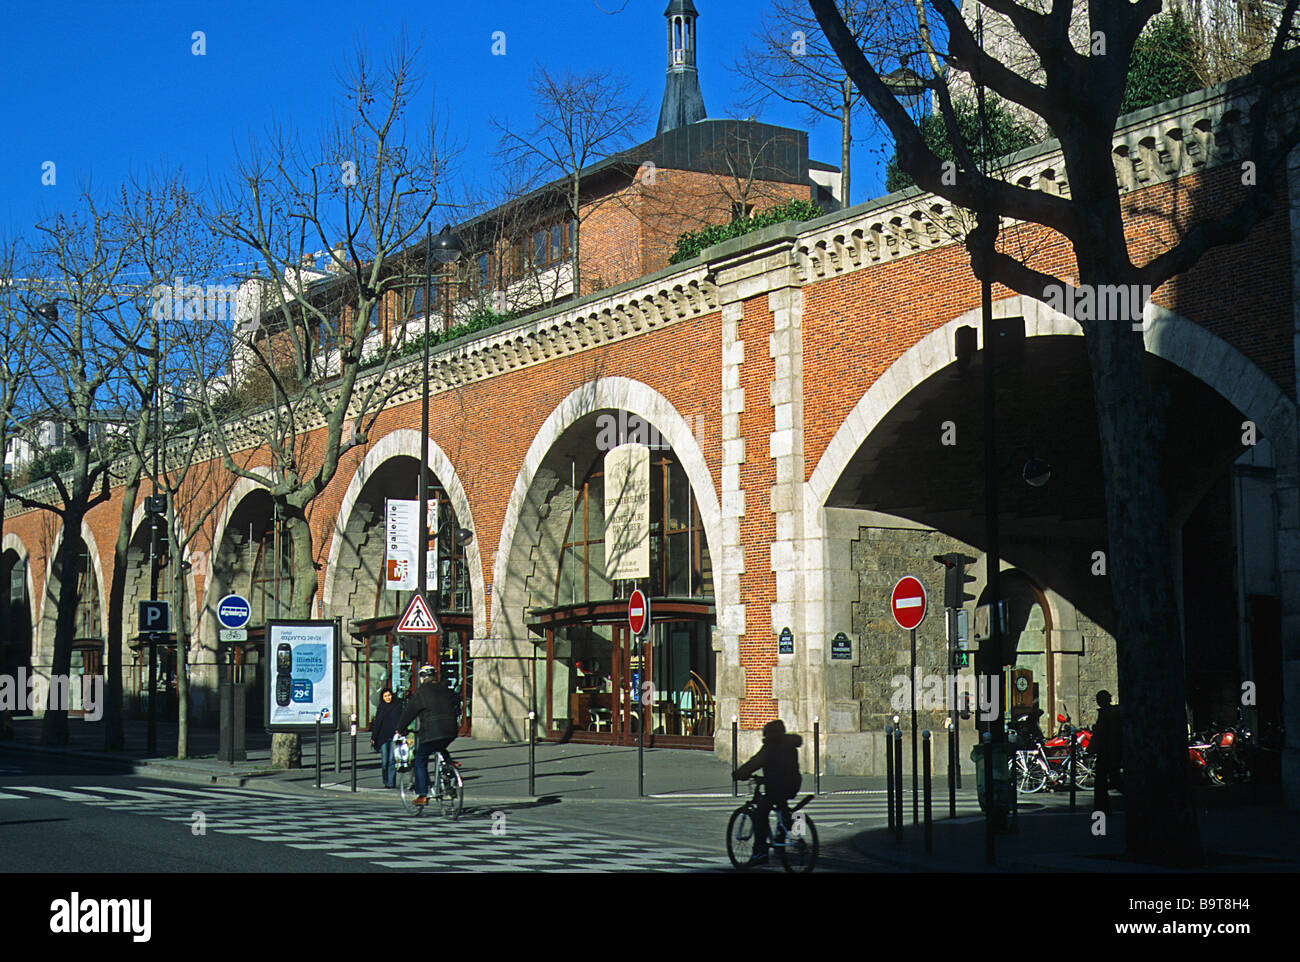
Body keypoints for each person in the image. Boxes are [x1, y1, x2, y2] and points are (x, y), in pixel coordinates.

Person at [731, 719, 803, 865]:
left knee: (760, 815)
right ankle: (788, 836)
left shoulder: (770, 748)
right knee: (784, 810)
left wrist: (739, 774)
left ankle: (760, 852)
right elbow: (782, 768)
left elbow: (754, 763)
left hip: (776, 787)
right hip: (793, 785)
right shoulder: (791, 745)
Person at [397, 665, 461, 805]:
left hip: (432, 731)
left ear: (422, 677)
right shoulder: (445, 689)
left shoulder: (421, 692)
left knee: (420, 759)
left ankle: (422, 795)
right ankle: (450, 772)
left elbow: (409, 712)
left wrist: (400, 729)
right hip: (451, 730)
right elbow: (456, 704)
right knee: (441, 748)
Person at [1090, 690, 1123, 815]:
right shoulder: (1113, 713)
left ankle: (1101, 808)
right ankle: (1102, 807)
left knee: (1106, 781)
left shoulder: (1107, 714)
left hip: (1107, 751)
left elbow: (1104, 733)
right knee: (1108, 780)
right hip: (1110, 751)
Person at [369, 687, 403, 789]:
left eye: (389, 695)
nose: (388, 698)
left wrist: (400, 730)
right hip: (382, 736)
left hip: (393, 736)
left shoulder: (397, 706)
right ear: (382, 697)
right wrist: (374, 737)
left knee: (392, 760)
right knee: (385, 761)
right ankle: (385, 780)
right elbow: (377, 723)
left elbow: (401, 720)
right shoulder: (381, 707)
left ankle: (391, 782)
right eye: (385, 696)